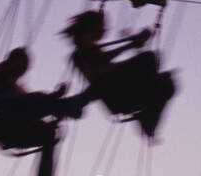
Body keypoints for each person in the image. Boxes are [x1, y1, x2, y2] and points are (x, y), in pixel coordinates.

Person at [0, 48, 85, 176]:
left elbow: (29, 102)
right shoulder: (1, 73)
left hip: (11, 123)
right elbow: (28, 100)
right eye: (22, 65)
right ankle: (66, 106)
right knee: (37, 99)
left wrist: (54, 98)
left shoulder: (12, 84)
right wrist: (54, 100)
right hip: (0, 117)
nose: (23, 70)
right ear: (13, 62)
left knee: (50, 133)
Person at [62, 10, 177, 138]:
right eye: (101, 26)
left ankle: (148, 119)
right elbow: (101, 62)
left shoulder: (91, 52)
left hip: (126, 94)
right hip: (117, 96)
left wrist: (134, 44)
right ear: (90, 27)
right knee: (148, 58)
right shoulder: (80, 54)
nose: (105, 29)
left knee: (166, 83)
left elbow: (110, 65)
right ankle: (147, 114)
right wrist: (131, 44)